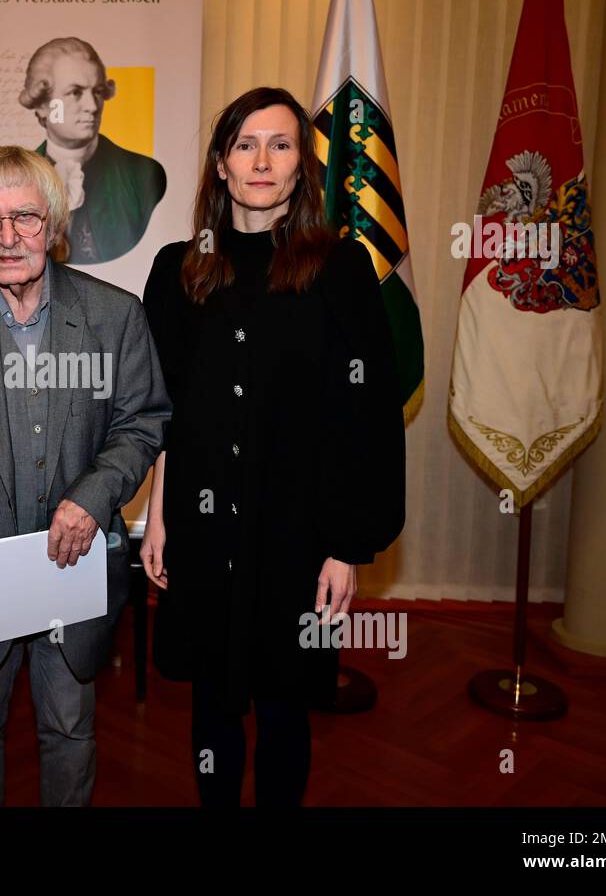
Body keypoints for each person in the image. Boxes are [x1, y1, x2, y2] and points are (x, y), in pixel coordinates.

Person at [140, 87, 406, 807]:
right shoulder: (176, 270)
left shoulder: (342, 271)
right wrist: (158, 517)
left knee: (287, 705)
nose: (262, 160)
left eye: (281, 144)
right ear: (221, 165)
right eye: (246, 144)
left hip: (299, 534)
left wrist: (347, 546)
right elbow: (161, 411)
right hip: (200, 525)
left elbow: (368, 419)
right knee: (211, 704)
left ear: (301, 169)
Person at [0, 145, 169, 806]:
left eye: (24, 216)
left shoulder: (116, 316)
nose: (8, 237)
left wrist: (93, 497)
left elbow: (143, 422)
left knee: (70, 731)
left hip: (72, 570)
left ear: (53, 225)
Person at [19, 36, 166, 264]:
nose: (91, 106)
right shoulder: (17, 182)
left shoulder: (145, 174)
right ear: (42, 105)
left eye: (97, 92)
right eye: (75, 92)